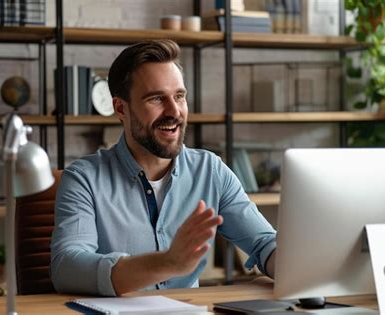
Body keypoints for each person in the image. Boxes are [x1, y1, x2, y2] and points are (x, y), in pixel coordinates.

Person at [50, 39, 276, 296]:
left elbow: (264, 243)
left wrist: (296, 265)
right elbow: (66, 267)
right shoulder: (84, 179)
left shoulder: (210, 170)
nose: (174, 111)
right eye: (156, 98)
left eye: (179, 96)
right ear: (121, 108)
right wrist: (167, 262)